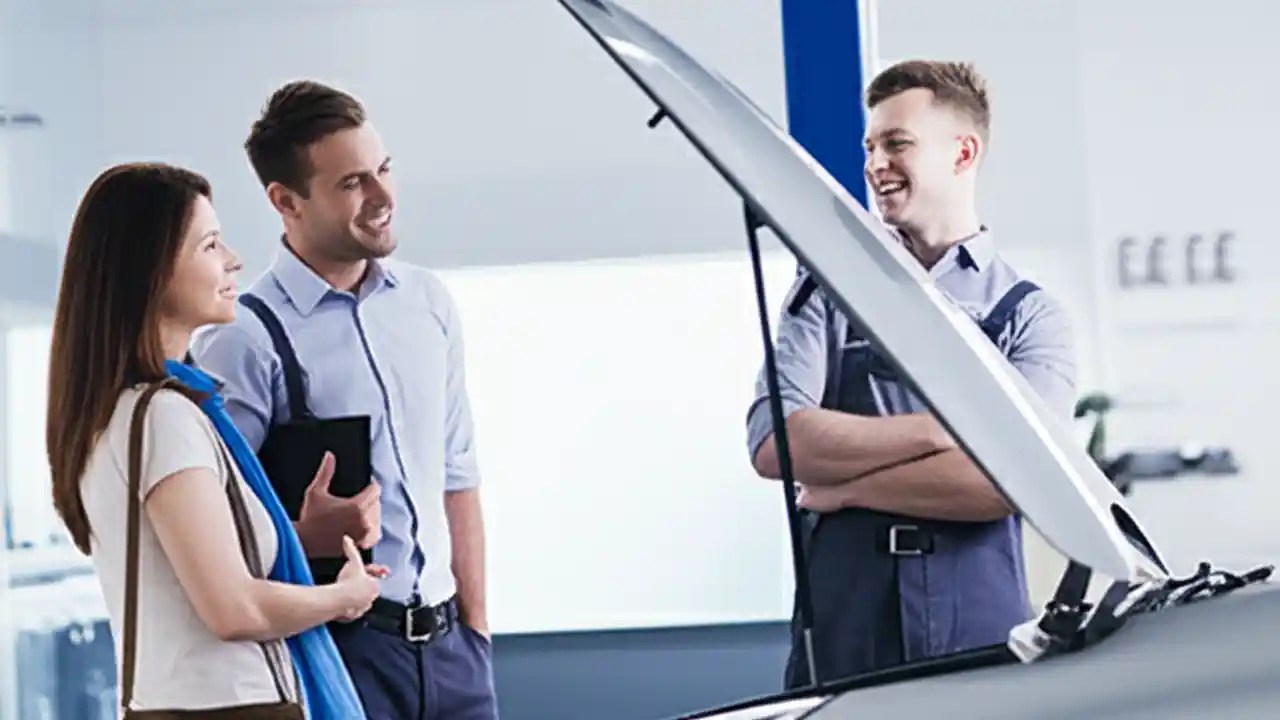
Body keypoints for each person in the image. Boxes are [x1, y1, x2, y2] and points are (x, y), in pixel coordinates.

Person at [745, 60, 1078, 688]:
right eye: (871, 146)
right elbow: (777, 445)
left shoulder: (1030, 317)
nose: (875, 164)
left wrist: (845, 490)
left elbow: (1014, 486)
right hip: (846, 624)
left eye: (897, 144)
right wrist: (944, 430)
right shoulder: (825, 290)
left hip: (980, 628)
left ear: (963, 152)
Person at [189, 80, 497, 719]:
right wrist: (303, 535)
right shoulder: (243, 339)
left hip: (454, 654)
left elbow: (457, 472)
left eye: (383, 169)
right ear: (286, 200)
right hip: (338, 652)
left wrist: (479, 630)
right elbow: (214, 535)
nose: (383, 197)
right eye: (352, 183)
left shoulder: (427, 304)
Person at [46, 162, 384, 717]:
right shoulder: (166, 417)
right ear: (151, 271)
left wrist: (299, 535)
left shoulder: (117, 412)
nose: (233, 260)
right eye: (209, 245)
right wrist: (344, 598)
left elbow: (186, 565)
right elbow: (233, 609)